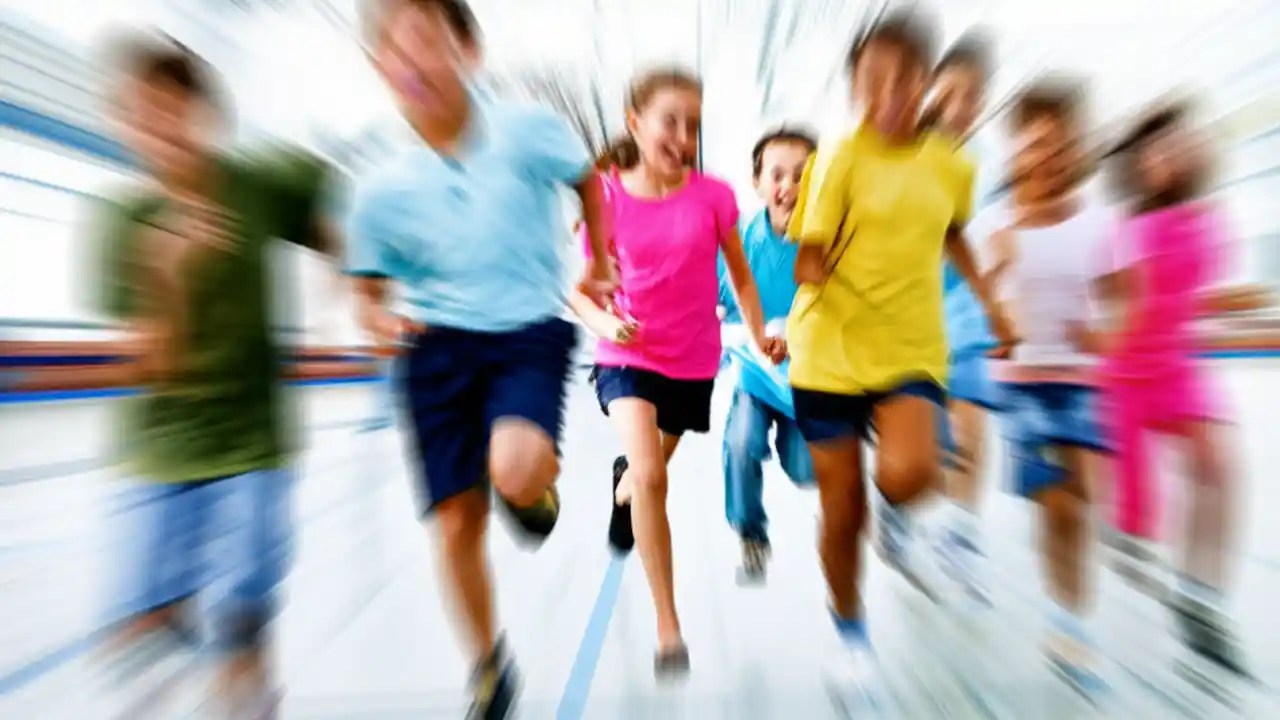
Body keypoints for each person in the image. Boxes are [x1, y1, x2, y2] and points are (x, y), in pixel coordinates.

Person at [345, 1, 615, 717]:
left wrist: (599, 260)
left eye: (426, 40)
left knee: (516, 468)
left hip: (525, 331)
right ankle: (488, 665)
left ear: (467, 51)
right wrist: (373, 316)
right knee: (457, 523)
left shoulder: (526, 131)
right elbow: (366, 283)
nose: (411, 61)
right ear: (381, 71)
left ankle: (532, 493)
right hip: (435, 354)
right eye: (393, 50)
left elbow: (587, 178)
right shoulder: (380, 189)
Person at [97, 34, 335, 718]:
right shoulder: (121, 223)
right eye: (140, 116)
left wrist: (354, 285)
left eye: (172, 111)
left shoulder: (259, 186)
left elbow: (335, 214)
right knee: (137, 622)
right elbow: (149, 368)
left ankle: (247, 683)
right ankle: (170, 626)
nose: (158, 129)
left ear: (205, 115)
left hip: (253, 443)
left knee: (241, 611)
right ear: (123, 125)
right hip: (159, 450)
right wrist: (166, 277)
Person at [784, 11, 1013, 708]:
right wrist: (814, 266)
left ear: (927, 83)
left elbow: (954, 233)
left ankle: (902, 515)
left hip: (909, 349)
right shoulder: (839, 158)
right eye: (872, 80)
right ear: (855, 87)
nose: (889, 93)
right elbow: (808, 256)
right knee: (841, 508)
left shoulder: (951, 163)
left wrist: (992, 304)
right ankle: (849, 626)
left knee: (912, 474)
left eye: (905, 78)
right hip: (829, 356)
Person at [569, 69, 781, 678]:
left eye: (693, 124)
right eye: (671, 120)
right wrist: (607, 327)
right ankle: (668, 624)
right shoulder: (605, 197)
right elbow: (581, 292)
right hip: (628, 356)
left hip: (692, 360)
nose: (684, 135)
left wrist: (761, 330)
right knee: (655, 476)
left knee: (646, 471)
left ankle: (623, 486)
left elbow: (740, 275)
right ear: (634, 121)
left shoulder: (713, 197)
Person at [1089, 102, 1252, 676]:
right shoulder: (1125, 229)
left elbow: (1207, 295)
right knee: (1136, 524)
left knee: (1221, 467)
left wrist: (1237, 309)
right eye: (1159, 148)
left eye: (1184, 142)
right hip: (1129, 376)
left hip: (1182, 371)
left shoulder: (1211, 221)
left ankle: (1200, 598)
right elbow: (1111, 300)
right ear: (1139, 164)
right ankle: (1126, 532)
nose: (1174, 153)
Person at [977, 82, 1113, 697]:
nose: (1049, 156)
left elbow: (1116, 298)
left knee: (1080, 503)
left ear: (1077, 149)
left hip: (1082, 380)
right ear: (1017, 153)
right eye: (1036, 144)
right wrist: (999, 291)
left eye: (1062, 144)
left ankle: (1073, 613)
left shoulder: (1099, 220)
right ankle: (1066, 621)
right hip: (1027, 385)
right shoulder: (995, 226)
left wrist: (1105, 330)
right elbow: (976, 304)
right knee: (1059, 501)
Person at [900, 31, 1003, 604]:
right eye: (955, 92)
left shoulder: (986, 163)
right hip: (909, 324)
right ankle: (903, 512)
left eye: (976, 95)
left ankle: (962, 533)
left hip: (966, 322)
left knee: (972, 424)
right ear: (933, 93)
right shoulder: (904, 155)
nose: (965, 105)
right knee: (921, 449)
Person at [717, 127, 818, 584]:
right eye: (777, 174)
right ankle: (751, 534)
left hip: (808, 384)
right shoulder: (737, 243)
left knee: (805, 468)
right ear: (757, 182)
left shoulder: (827, 244)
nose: (789, 186)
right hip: (755, 380)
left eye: (801, 175)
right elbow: (712, 314)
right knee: (741, 445)